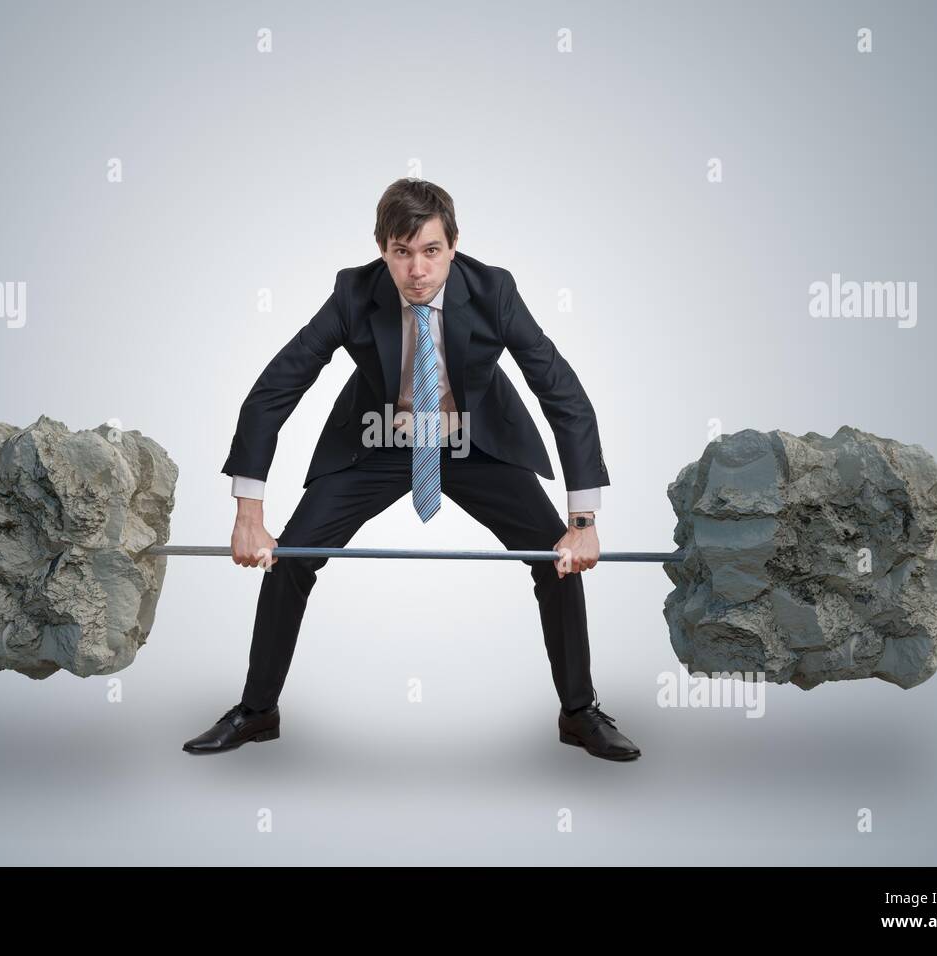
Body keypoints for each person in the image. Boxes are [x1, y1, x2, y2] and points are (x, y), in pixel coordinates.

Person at [183, 178, 640, 761]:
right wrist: (249, 512)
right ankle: (257, 710)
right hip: (378, 439)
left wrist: (583, 519)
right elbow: (276, 388)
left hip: (474, 440)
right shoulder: (353, 293)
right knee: (292, 557)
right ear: (382, 250)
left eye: (430, 251)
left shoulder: (494, 290)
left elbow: (563, 394)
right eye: (401, 252)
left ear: (453, 246)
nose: (417, 270)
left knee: (557, 559)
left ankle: (579, 713)